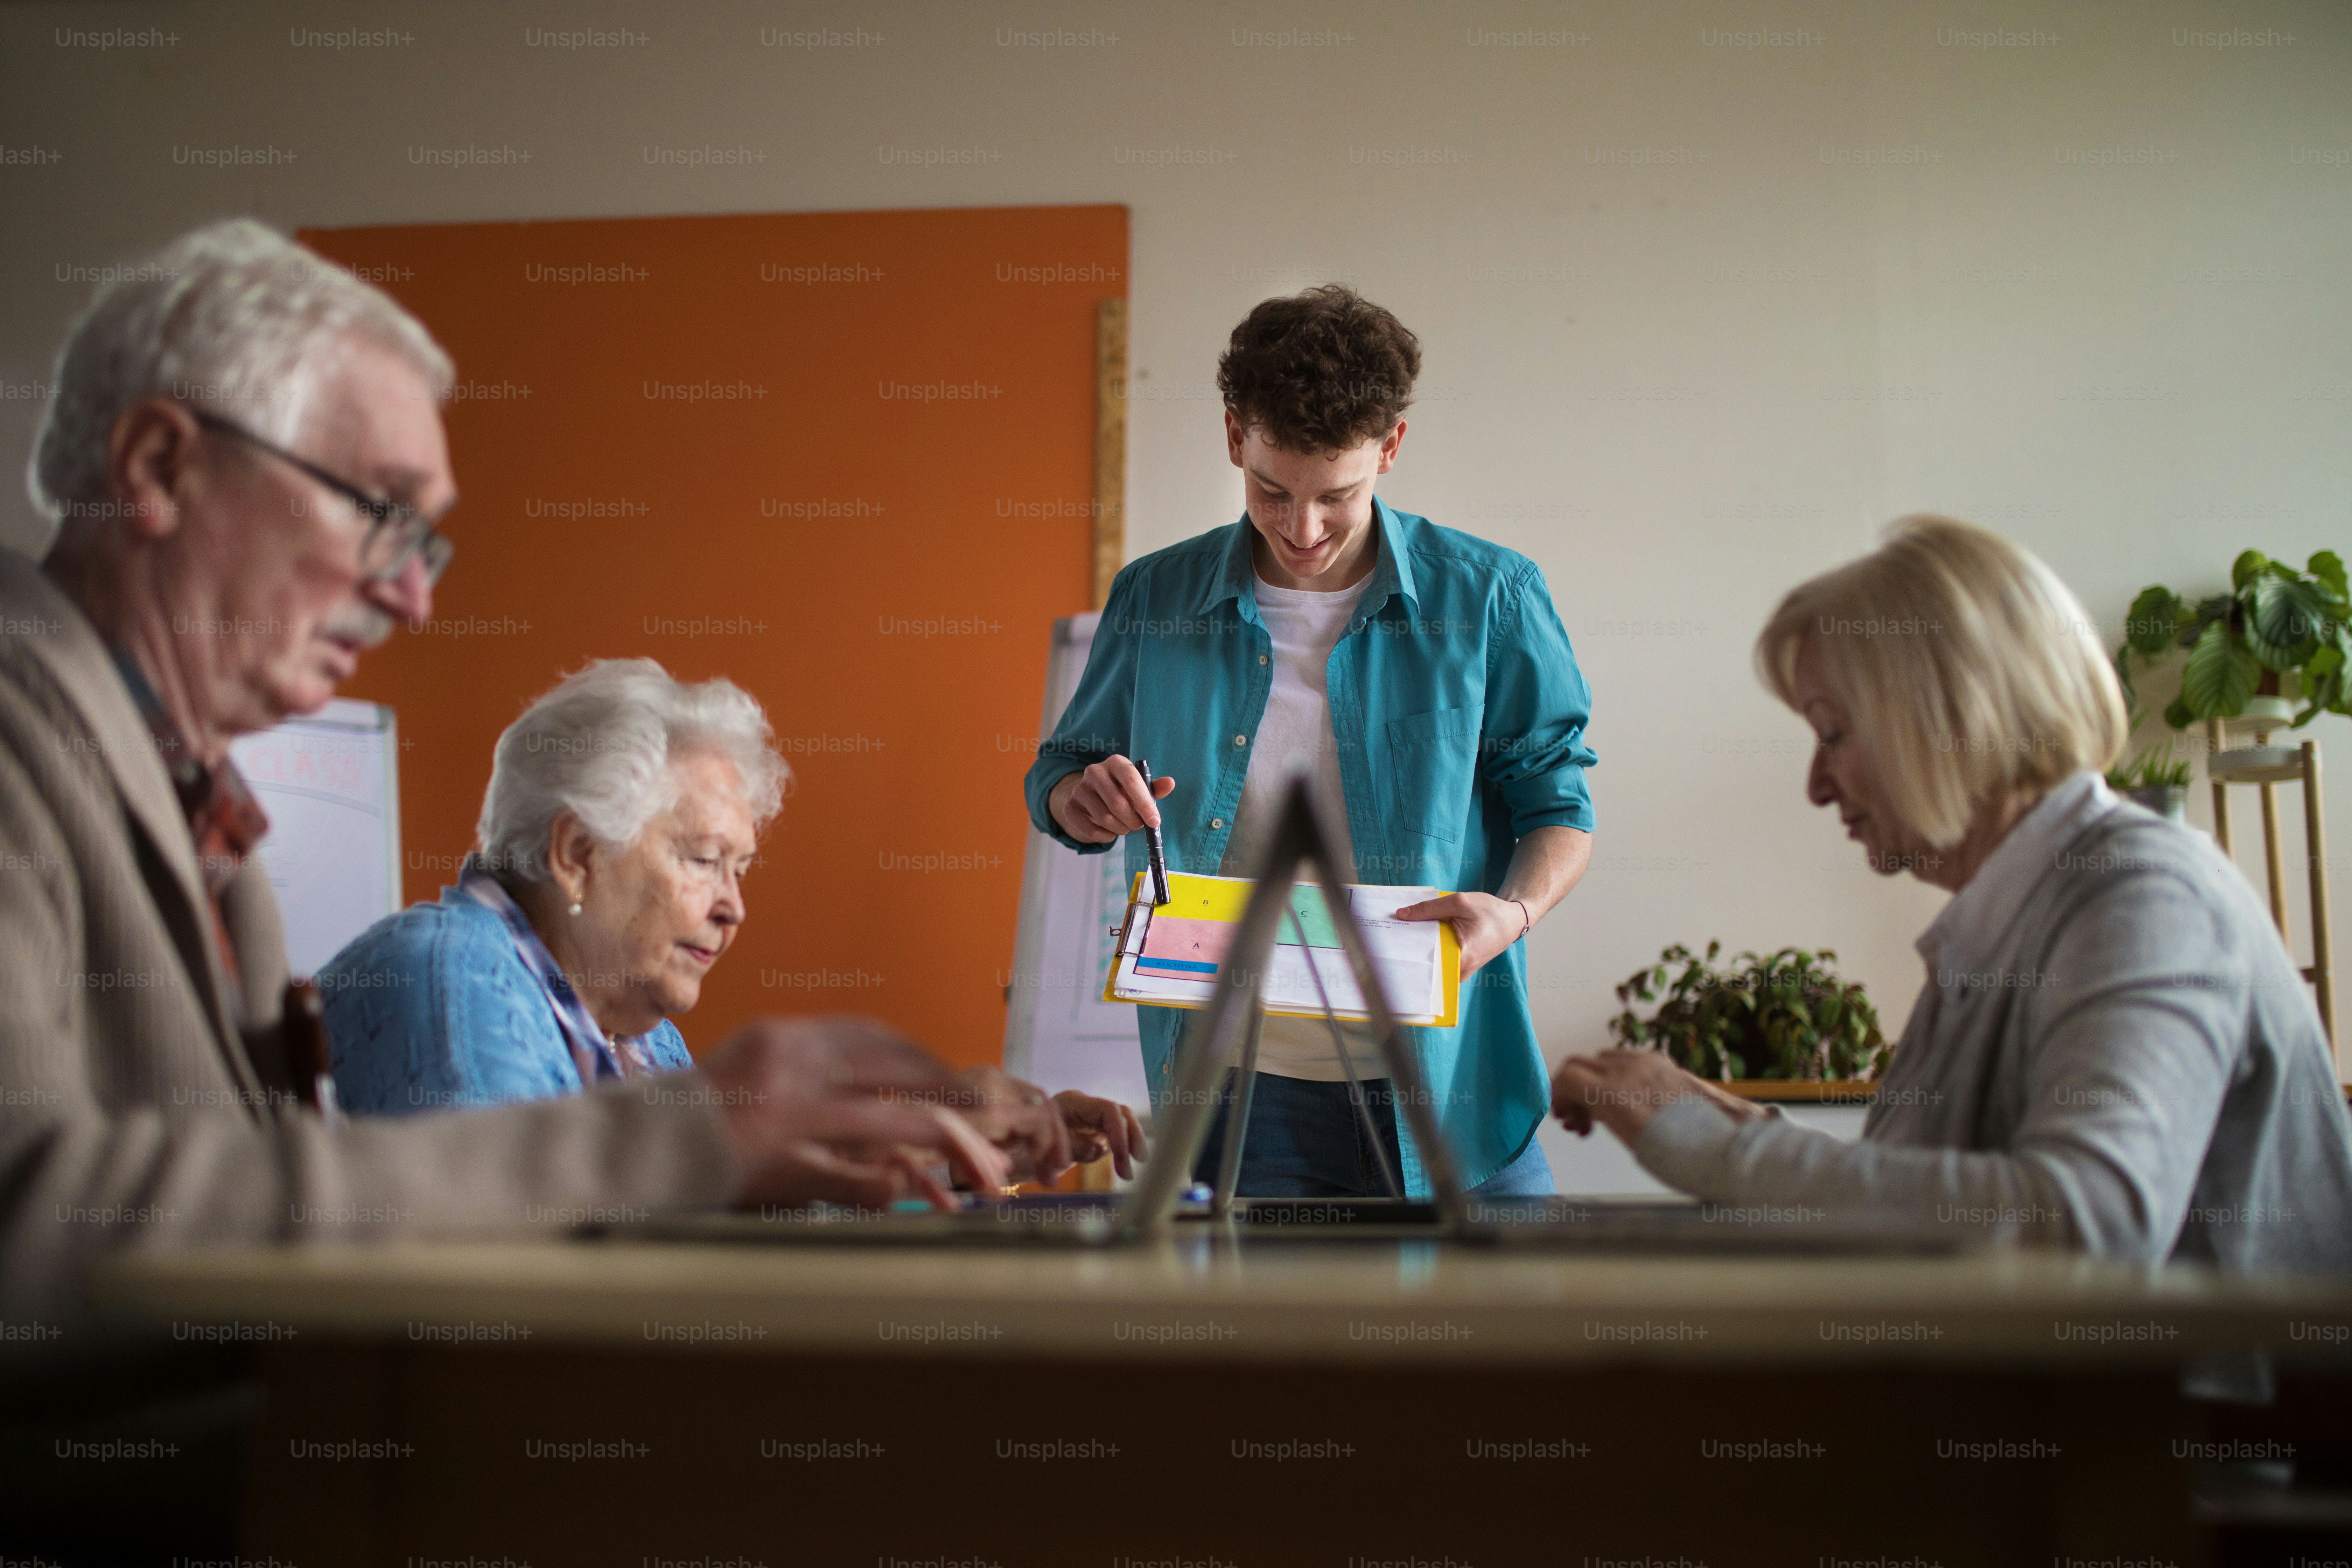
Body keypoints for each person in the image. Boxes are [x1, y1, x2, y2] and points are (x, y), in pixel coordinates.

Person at [0, 218, 1057, 1535]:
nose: (414, 600)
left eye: (426, 543)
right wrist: (699, 1138)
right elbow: (30, 1232)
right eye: (379, 512)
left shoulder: (201, 815)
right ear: (158, 466)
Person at [1551, 516, 2352, 1270]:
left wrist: (1720, 1149)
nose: (1816, 785)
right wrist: (1721, 1117)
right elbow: (1922, 1196)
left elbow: (2087, 1221)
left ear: (1949, 715)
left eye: (1833, 733)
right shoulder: (2009, 919)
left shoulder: (2142, 892)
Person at [1024, 285, 1596, 1199]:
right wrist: (1075, 800)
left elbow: (1560, 806)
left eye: (1339, 495)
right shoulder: (1154, 597)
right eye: (1270, 490)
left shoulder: (1490, 597)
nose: (1303, 530)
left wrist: (1514, 915)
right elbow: (1059, 770)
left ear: (1392, 449)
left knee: (1495, 1343)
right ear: (1233, 438)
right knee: (1271, 1346)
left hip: (1453, 1086)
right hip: (1240, 1093)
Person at [323, 656, 1147, 1176]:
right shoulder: (449, 971)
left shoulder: (638, 1032)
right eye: (702, 858)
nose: (734, 906)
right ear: (577, 853)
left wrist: (935, 1135)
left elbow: (689, 1218)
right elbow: (510, 1277)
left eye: (740, 868)